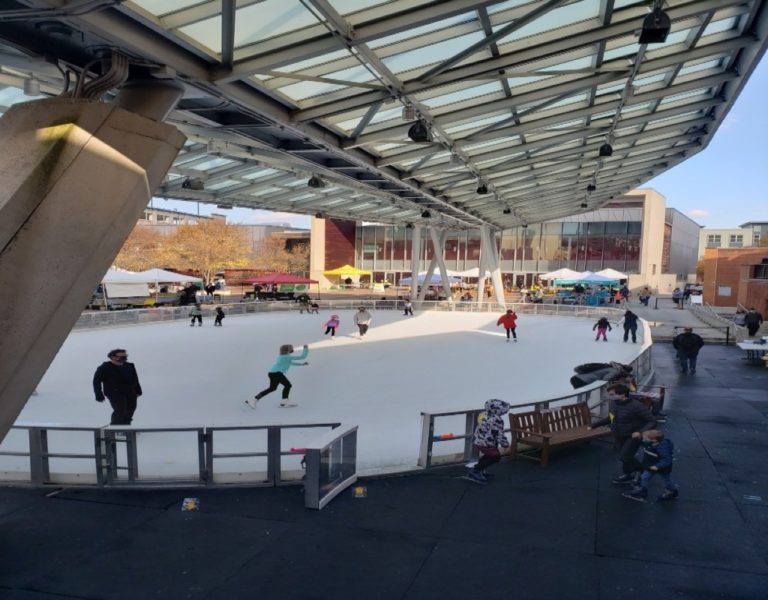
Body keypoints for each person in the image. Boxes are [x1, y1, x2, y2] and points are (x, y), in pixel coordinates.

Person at [591, 383, 656, 485]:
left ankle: (643, 470)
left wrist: (640, 432)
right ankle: (628, 474)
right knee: (625, 456)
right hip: (618, 434)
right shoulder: (614, 403)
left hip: (633, 436)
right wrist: (594, 425)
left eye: (612, 394)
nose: (610, 397)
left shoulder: (636, 406)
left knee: (625, 456)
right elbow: (611, 418)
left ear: (622, 394)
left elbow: (652, 421)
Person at [622, 430, 678, 502]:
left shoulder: (663, 448)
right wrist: (638, 438)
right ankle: (642, 491)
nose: (644, 439)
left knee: (666, 479)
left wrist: (657, 466)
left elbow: (667, 460)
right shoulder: (650, 442)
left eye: (645, 438)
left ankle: (671, 491)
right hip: (651, 465)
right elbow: (643, 443)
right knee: (644, 477)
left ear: (654, 440)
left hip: (662, 467)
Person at [465, 399, 511, 484]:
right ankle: (475, 471)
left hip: (480, 440)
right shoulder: (496, 419)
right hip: (484, 442)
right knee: (495, 457)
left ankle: (479, 470)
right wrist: (505, 444)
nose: (506, 410)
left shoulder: (487, 415)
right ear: (497, 410)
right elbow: (499, 433)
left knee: (489, 455)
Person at [93, 349, 143, 425]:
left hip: (130, 391)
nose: (124, 357)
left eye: (125, 356)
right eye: (122, 356)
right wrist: (98, 394)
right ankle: (115, 428)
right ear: (113, 357)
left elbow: (135, 378)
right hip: (113, 392)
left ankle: (126, 426)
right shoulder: (104, 367)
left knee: (131, 408)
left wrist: (138, 390)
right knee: (120, 409)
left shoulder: (130, 366)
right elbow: (96, 381)